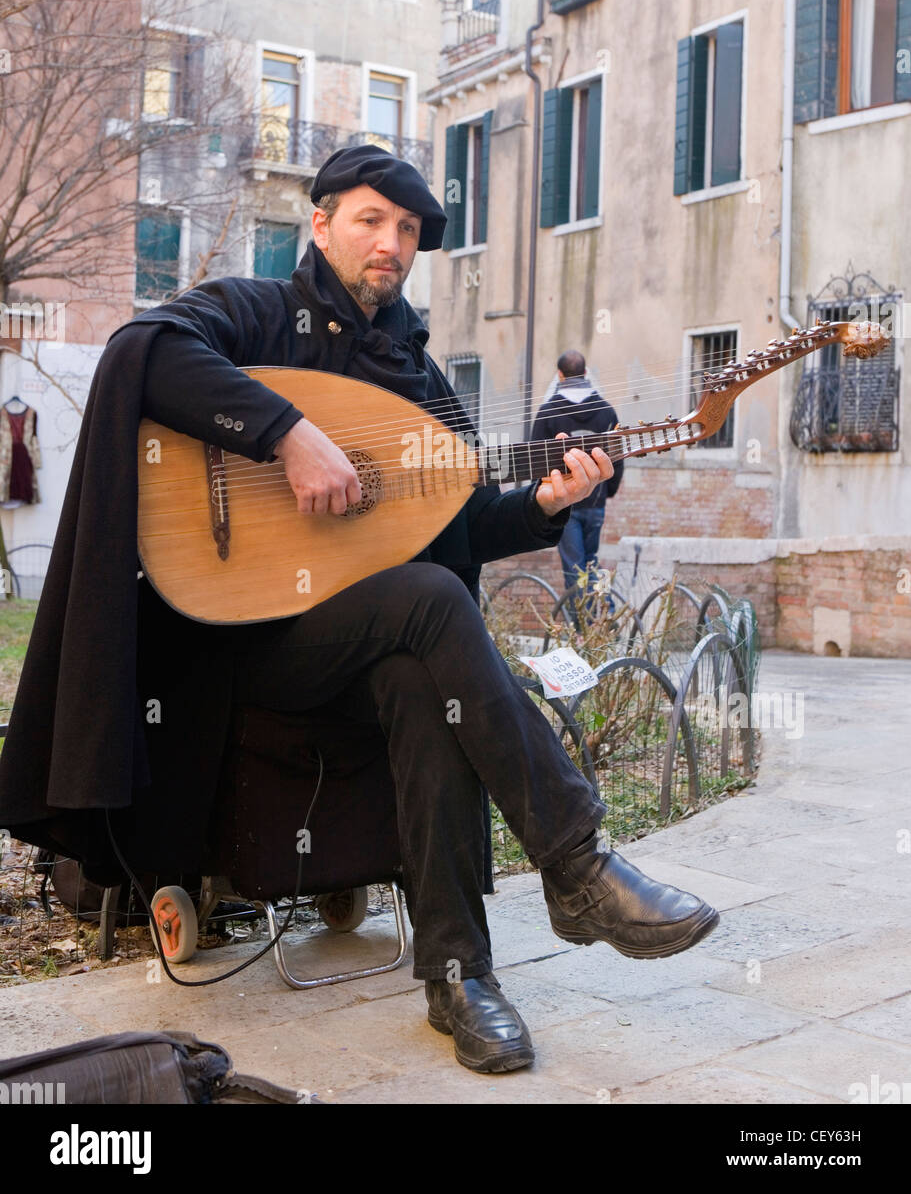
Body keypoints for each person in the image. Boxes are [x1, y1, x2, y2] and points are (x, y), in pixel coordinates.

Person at [0, 147, 718, 1076]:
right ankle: (576, 863)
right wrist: (287, 434)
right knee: (425, 607)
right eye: (372, 220)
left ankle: (461, 978)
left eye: (409, 229)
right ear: (323, 224)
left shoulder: (414, 376)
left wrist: (545, 503)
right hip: (234, 642)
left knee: (422, 675)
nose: (391, 244)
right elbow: (146, 350)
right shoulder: (256, 311)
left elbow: (461, 519)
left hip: (360, 641)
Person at [532, 352, 623, 619]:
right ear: (585, 374)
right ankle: (606, 618)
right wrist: (608, 489)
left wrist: (538, 502)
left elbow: (534, 460)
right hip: (596, 499)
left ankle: (584, 629)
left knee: (574, 566)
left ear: (559, 375)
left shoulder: (548, 412)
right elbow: (618, 457)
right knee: (591, 563)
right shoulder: (607, 410)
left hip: (564, 502)